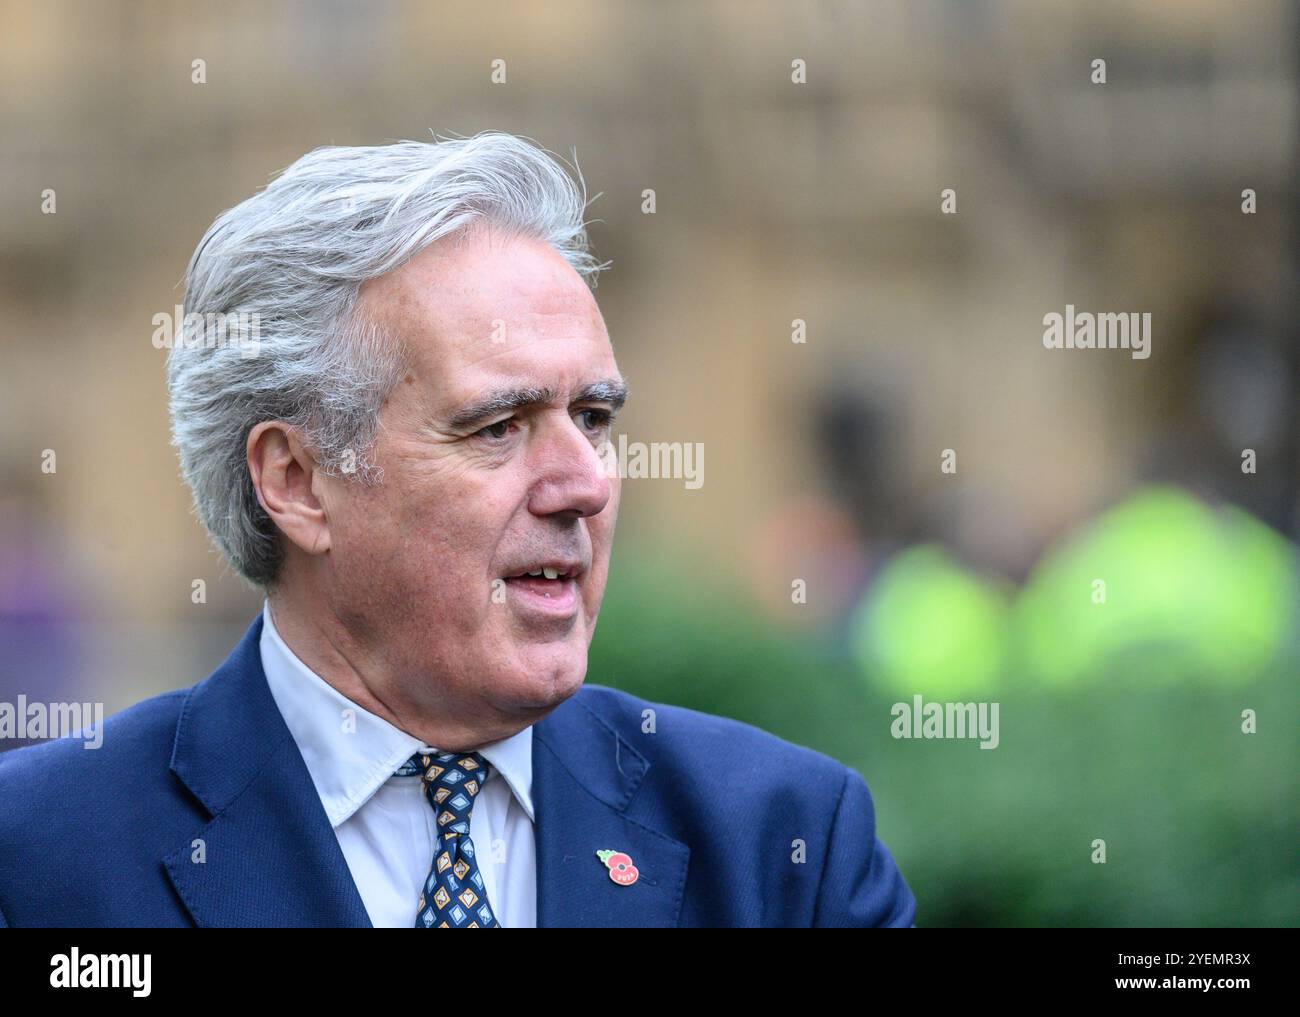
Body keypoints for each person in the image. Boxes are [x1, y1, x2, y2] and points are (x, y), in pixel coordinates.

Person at [0, 132, 916, 927]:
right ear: (298, 480)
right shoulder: (41, 859)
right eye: (497, 427)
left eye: (594, 417)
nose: (583, 484)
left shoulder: (785, 844)